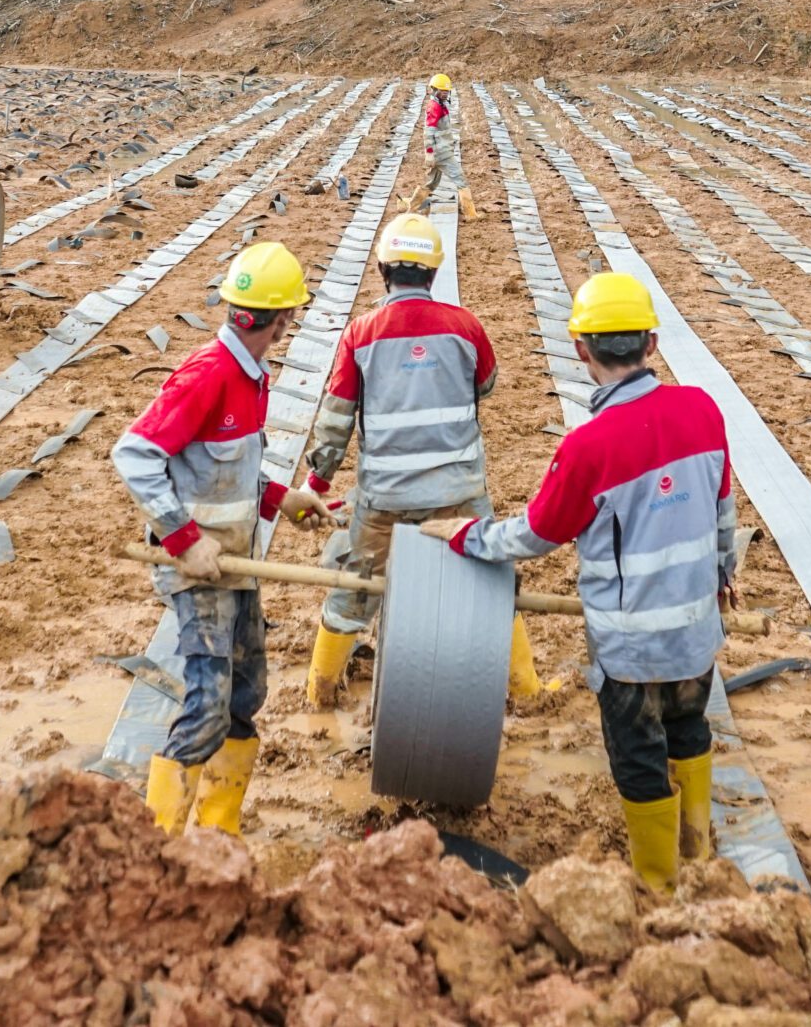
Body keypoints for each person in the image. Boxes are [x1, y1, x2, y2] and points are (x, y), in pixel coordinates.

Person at [422, 272, 735, 892]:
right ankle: (697, 856)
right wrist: (723, 575)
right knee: (689, 728)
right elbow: (723, 510)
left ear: (581, 350)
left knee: (639, 757)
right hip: (696, 629)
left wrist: (466, 535)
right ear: (651, 343)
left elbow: (537, 534)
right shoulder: (703, 409)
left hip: (630, 648)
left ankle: (657, 884)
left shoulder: (589, 446)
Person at [112, 240, 327, 836]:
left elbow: (223, 473)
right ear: (283, 321)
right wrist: (183, 540)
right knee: (207, 706)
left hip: (237, 562)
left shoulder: (252, 378)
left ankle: (217, 832)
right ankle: (158, 841)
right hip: (200, 568)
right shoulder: (209, 375)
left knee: (246, 694)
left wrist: (283, 498)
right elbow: (133, 455)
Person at [300, 212, 539, 710]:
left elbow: (336, 417)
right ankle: (526, 691)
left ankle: (320, 691)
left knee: (356, 584)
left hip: (384, 498)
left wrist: (316, 483)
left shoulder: (361, 333)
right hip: (459, 493)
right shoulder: (466, 327)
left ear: (382, 270)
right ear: (433, 273)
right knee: (493, 581)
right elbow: (486, 384)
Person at [407, 73, 478, 220]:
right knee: (460, 180)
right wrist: (429, 153)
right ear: (434, 90)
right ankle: (470, 214)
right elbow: (428, 132)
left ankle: (411, 209)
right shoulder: (434, 107)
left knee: (431, 183)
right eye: (442, 90)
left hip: (441, 150)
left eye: (447, 91)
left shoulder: (440, 105)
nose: (445, 93)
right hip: (441, 152)